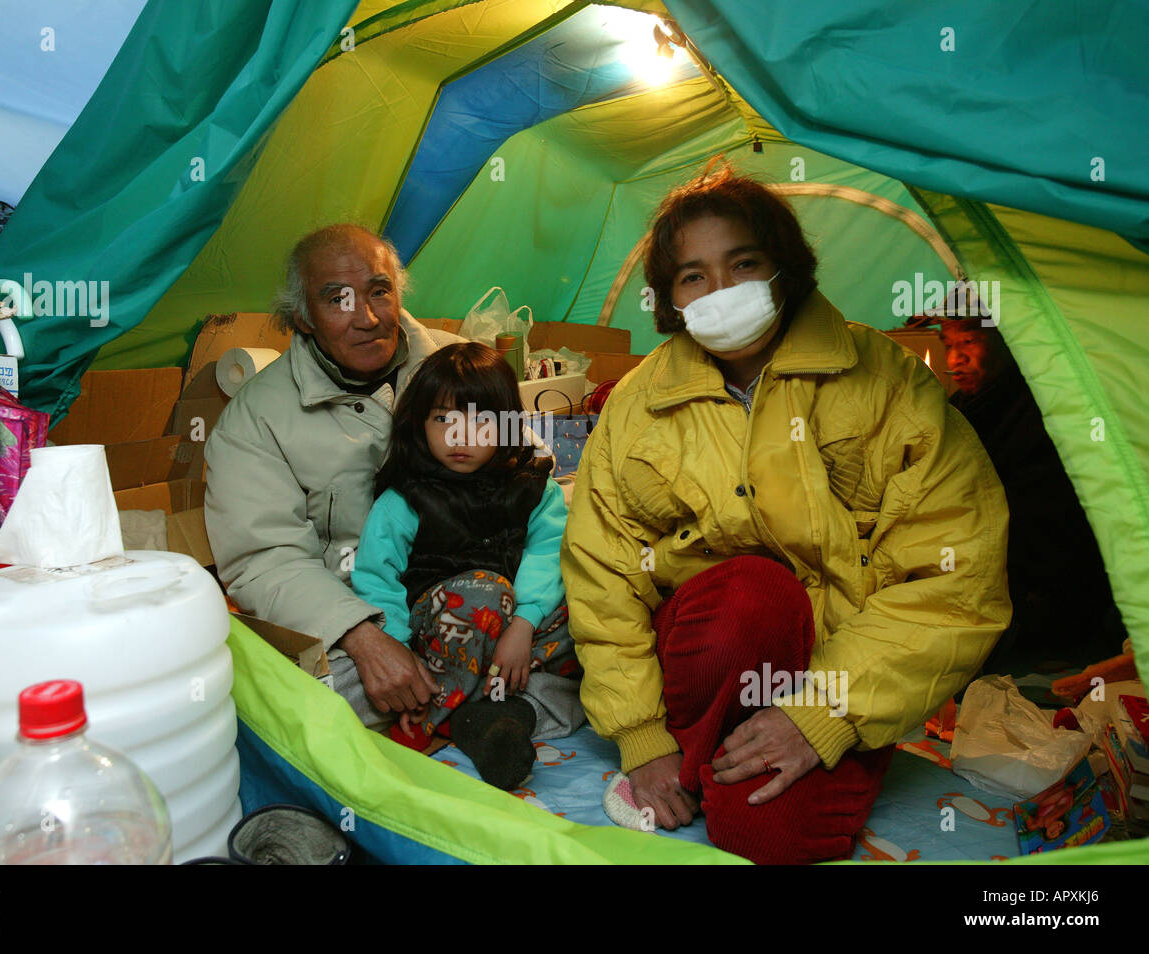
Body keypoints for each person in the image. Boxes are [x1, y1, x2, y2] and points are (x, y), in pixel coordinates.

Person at [560, 167, 1012, 864]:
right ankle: (697, 746)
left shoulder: (887, 383)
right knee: (752, 592)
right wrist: (640, 735)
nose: (721, 292)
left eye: (744, 264)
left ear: (784, 269)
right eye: (693, 276)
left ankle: (732, 765)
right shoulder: (636, 405)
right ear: (668, 298)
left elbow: (956, 578)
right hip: (707, 665)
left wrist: (824, 714)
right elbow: (602, 573)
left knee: (765, 836)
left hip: (838, 674)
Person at [205, 224, 582, 742]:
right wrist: (366, 637)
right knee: (295, 698)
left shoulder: (461, 364)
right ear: (302, 319)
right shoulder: (256, 421)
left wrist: (530, 610)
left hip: (510, 600)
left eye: (378, 290)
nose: (366, 316)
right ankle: (503, 711)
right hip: (378, 616)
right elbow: (263, 558)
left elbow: (529, 473)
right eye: (336, 298)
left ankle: (462, 711)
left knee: (607, 618)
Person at [350, 343, 581, 789]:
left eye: (480, 421)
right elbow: (375, 577)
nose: (460, 436)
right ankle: (431, 713)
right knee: (485, 591)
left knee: (589, 601)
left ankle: (489, 715)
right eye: (443, 419)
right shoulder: (406, 496)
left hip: (515, 635)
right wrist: (398, 648)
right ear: (420, 424)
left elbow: (548, 554)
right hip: (440, 632)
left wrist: (525, 624)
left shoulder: (535, 487)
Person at [928, 305, 1126, 668]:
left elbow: (1038, 527)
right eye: (948, 342)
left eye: (969, 340)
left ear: (1007, 339)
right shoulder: (959, 410)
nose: (955, 358)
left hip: (1048, 620)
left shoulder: (1044, 414)